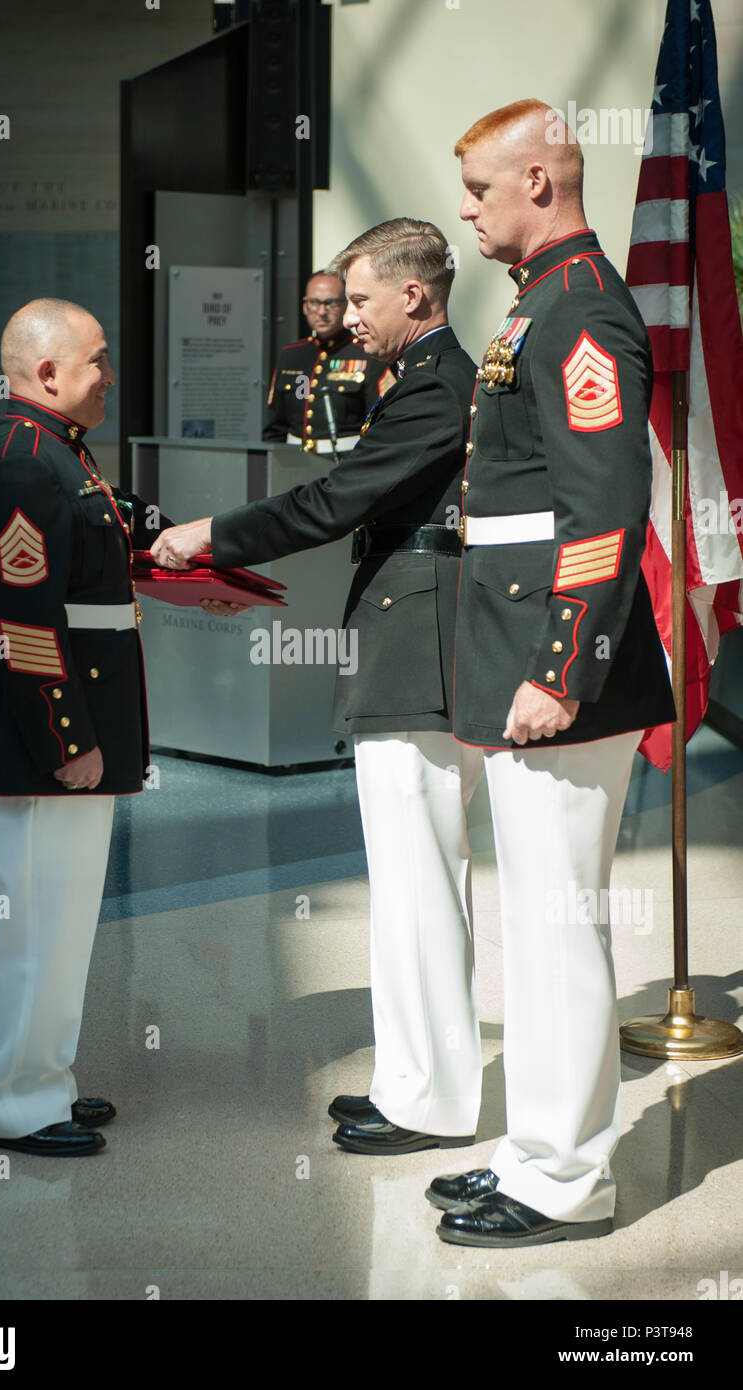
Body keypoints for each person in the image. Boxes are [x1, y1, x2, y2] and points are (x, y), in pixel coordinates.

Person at [152, 219, 486, 1155]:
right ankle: (413, 1081)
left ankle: (429, 1098)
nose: (349, 319)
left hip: (417, 642)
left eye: (365, 299)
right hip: (409, 633)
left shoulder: (436, 386)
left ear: (413, 296)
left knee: (418, 876)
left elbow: (335, 502)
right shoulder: (424, 380)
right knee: (414, 876)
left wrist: (210, 535)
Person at [427, 100, 675, 1247]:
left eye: (481, 189)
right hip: (523, 653)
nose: (466, 210)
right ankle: (534, 1152)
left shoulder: (580, 311)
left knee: (561, 924)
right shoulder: (541, 301)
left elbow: (606, 505)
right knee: (534, 924)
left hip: (560, 668)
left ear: (541, 178)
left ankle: (569, 1177)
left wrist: (566, 668)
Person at [0, 297, 241, 1158]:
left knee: (60, 925)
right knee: (25, 926)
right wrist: (68, 743)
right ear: (47, 374)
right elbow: (25, 625)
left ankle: (43, 1084)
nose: (109, 377)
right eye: (98, 362)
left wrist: (187, 563)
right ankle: (6, 1104)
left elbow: (113, 528)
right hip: (31, 744)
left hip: (61, 738)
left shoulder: (56, 454)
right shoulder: (17, 464)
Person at [263, 269, 394, 456]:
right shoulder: (292, 355)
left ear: (345, 306)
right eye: (314, 303)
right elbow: (275, 427)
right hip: (293, 464)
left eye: (330, 303)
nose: (322, 312)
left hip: (344, 464)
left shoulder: (368, 355)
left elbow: (380, 427)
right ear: (305, 307)